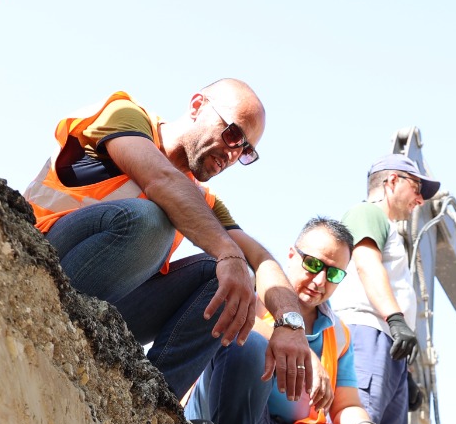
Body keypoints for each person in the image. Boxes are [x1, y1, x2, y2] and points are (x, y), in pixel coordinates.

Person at [23, 80, 324, 404]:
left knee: (225, 280)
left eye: (246, 151)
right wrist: (227, 252)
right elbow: (160, 180)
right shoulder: (125, 115)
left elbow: (261, 258)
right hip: (45, 258)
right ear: (197, 106)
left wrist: (290, 323)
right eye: (234, 134)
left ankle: (150, 408)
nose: (234, 153)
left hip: (109, 303)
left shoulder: (200, 198)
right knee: (157, 219)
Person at [186, 219, 399, 424]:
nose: (320, 280)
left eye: (334, 273)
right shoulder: (254, 291)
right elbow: (232, 334)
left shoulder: (338, 335)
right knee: (252, 349)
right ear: (291, 255)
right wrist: (293, 343)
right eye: (313, 264)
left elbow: (347, 404)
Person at [317, 155, 440, 424]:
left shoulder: (391, 230)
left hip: (385, 343)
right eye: (416, 189)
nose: (420, 201)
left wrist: (405, 374)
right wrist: (396, 320)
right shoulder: (368, 213)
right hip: (366, 330)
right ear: (391, 182)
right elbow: (367, 265)